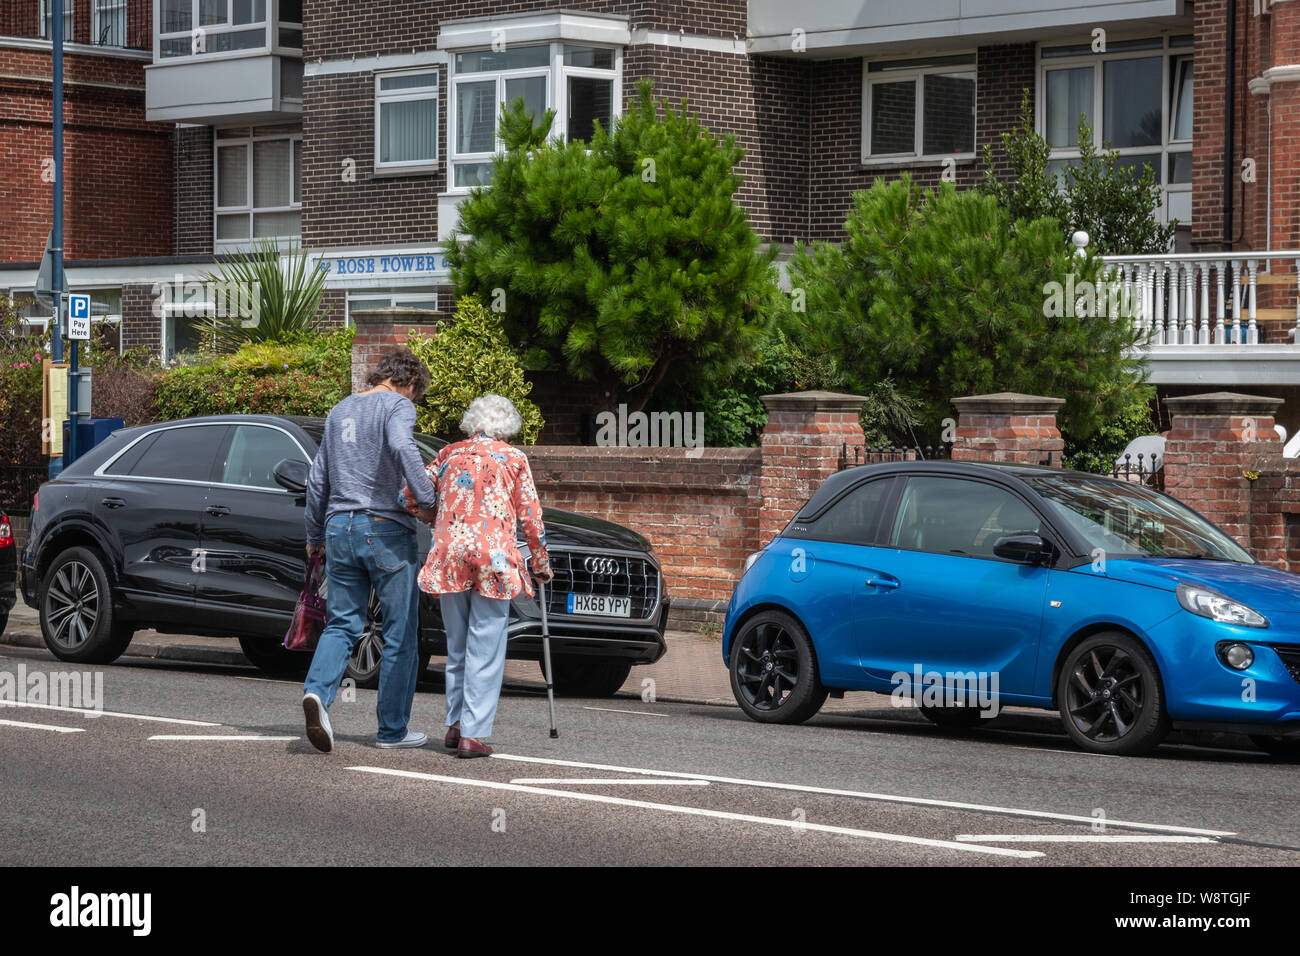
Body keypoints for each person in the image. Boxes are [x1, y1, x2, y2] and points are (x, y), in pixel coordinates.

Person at [301, 347, 438, 753]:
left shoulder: (340, 409)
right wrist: (428, 499)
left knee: (342, 624)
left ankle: (317, 695)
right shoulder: (397, 405)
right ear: (409, 383)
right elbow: (402, 445)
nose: (413, 401)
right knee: (399, 632)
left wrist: (313, 534)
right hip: (385, 531)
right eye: (416, 393)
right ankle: (392, 731)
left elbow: (317, 480)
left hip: (338, 528)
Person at [401, 394, 551, 758]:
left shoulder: (449, 454)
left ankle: (454, 725)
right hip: (494, 558)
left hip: (451, 554)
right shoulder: (514, 458)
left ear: (473, 422)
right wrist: (541, 563)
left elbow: (409, 494)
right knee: (485, 646)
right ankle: (473, 732)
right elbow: (531, 516)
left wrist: (430, 517)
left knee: (457, 645)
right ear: (507, 427)